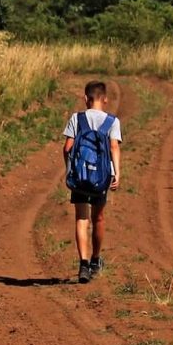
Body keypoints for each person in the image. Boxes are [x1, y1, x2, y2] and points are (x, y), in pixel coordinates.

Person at [62, 80, 122, 284]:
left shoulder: (77, 118)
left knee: (81, 218)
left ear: (85, 98)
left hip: (80, 177)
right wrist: (117, 173)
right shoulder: (112, 121)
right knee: (98, 218)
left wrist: (69, 171)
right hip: (101, 178)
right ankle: (96, 260)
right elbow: (114, 147)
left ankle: (83, 264)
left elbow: (67, 148)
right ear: (105, 100)